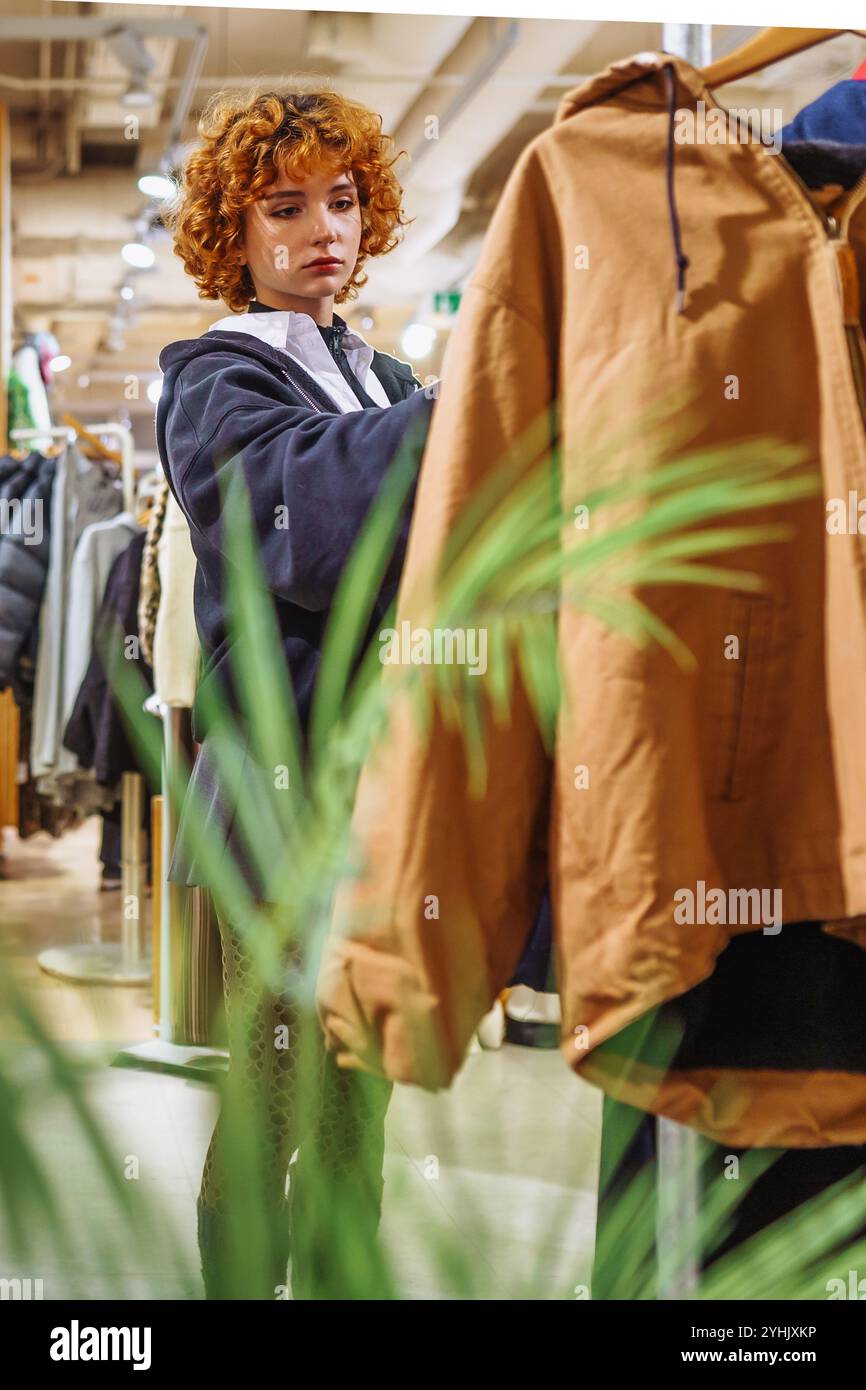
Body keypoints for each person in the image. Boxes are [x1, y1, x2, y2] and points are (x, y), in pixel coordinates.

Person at [156, 85, 436, 1298]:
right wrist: (464, 414)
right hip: (278, 804)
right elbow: (301, 515)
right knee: (270, 1093)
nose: (322, 227)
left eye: (342, 200)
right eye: (284, 205)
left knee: (355, 1102)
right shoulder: (212, 383)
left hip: (381, 793)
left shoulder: (387, 381)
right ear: (235, 233)